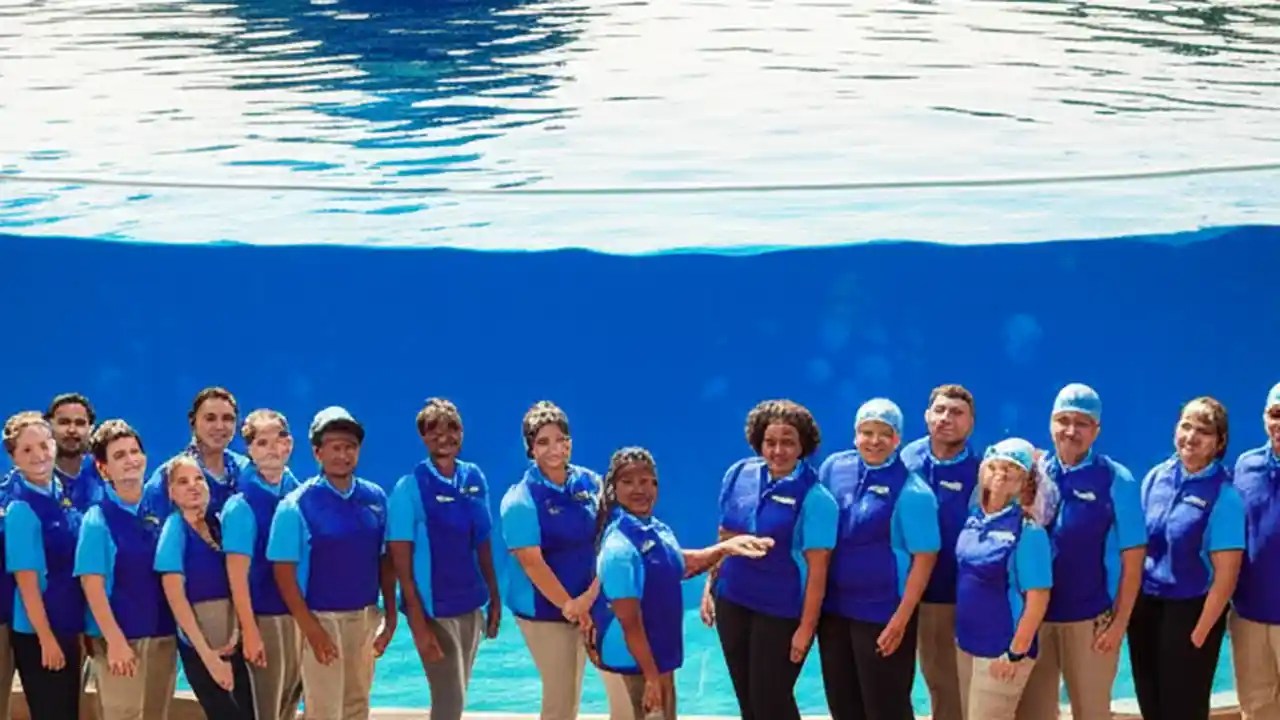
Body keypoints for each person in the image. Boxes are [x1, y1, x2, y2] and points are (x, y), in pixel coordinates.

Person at [587, 447, 773, 720]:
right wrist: (651, 678)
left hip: (659, 658)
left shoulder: (655, 529)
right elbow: (630, 622)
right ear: (614, 488)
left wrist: (725, 548)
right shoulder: (619, 548)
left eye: (645, 481)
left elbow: (676, 564)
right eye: (628, 482)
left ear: (656, 485)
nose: (639, 489)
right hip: (636, 664)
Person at [700, 398, 838, 720]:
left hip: (781, 611)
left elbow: (818, 570)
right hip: (733, 602)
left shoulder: (816, 498)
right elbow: (726, 535)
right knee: (749, 703)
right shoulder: (739, 474)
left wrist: (806, 628)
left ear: (802, 445)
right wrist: (711, 584)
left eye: (788, 442)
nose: (778, 450)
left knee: (771, 703)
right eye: (770, 442)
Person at [1017, 384, 1146, 720]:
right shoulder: (1032, 473)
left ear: (1096, 430)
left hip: (1089, 623)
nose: (1071, 430)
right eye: (1064, 420)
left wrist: (1119, 625)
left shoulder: (1116, 479)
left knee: (1091, 713)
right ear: (1050, 423)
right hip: (1035, 620)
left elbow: (1133, 560)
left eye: (1082, 423)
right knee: (1032, 713)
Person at [267, 406, 397, 720]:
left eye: (350, 447)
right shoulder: (296, 505)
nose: (343, 455)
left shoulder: (375, 498)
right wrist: (311, 629)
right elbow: (283, 573)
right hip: (321, 618)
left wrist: (390, 617)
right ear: (317, 452)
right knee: (324, 710)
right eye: (335, 447)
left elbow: (385, 560)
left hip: (365, 617)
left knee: (358, 704)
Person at [818, 398, 940, 720]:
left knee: (886, 709)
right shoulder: (834, 469)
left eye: (885, 433)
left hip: (881, 614)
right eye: (866, 432)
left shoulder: (913, 491)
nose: (874, 441)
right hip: (834, 613)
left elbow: (925, 559)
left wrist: (900, 620)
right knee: (844, 706)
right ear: (855, 434)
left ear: (897, 438)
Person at [1129, 396, 1244, 720]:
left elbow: (1226, 576)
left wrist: (1199, 634)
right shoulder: (1156, 478)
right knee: (1151, 705)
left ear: (1219, 442)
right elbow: (1139, 548)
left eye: (1203, 431)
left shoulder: (1225, 495)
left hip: (1191, 611)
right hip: (1147, 607)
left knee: (1183, 711)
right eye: (1186, 426)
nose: (1191, 437)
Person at [387, 398, 501, 720]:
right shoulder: (409, 489)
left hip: (471, 607)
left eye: (452, 429)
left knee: (459, 695)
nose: (444, 437)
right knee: (448, 701)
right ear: (422, 437)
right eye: (433, 431)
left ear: (462, 433)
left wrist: (494, 598)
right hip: (433, 611)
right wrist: (417, 622)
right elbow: (400, 562)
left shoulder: (474, 478)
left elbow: (483, 541)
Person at [499, 401, 612, 720]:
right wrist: (570, 606)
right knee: (560, 699)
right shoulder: (520, 500)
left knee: (573, 696)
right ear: (530, 449)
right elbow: (531, 563)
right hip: (545, 611)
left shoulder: (591, 483)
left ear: (570, 443)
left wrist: (589, 599)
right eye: (543, 442)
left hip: (588, 603)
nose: (554, 449)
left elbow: (608, 537)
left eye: (561, 439)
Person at [75, 419, 179, 720]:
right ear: (103, 468)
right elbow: (92, 587)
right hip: (121, 641)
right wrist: (116, 642)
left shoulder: (161, 510)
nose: (131, 460)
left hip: (162, 636)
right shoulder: (97, 520)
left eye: (135, 452)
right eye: (119, 456)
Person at [954, 438, 1054, 720]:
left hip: (1001, 650)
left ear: (1025, 481)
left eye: (1011, 470)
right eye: (994, 467)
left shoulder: (1029, 531)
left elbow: (1038, 599)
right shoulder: (974, 519)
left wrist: (1015, 652)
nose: (1000, 474)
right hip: (967, 644)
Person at [900, 384, 980, 720]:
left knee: (955, 688)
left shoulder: (983, 470)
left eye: (957, 413)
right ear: (927, 416)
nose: (947, 418)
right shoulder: (905, 460)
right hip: (901, 596)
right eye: (940, 411)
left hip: (955, 598)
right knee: (912, 686)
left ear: (971, 423)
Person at [155, 454, 255, 718]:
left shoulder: (217, 526)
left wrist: (236, 634)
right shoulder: (174, 530)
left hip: (232, 645)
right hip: (201, 649)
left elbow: (235, 584)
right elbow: (176, 599)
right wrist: (209, 658)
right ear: (171, 493)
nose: (193, 486)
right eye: (183, 481)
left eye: (199, 478)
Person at [222, 409, 304, 720]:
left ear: (289, 444)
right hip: (265, 617)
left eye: (278, 439)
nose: (271, 449)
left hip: (299, 616)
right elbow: (237, 576)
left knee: (290, 702)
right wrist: (250, 630)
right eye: (261, 442)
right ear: (250, 451)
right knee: (266, 707)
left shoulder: (301, 496)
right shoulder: (241, 506)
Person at [4, 411, 86, 718]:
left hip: (66, 623)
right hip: (39, 631)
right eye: (27, 449)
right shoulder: (21, 509)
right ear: (14, 458)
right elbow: (27, 584)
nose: (39, 455)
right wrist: (46, 639)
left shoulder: (59, 493)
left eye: (44, 444)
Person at [1231, 382, 1280, 719]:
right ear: (1265, 417)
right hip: (1249, 617)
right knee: (1257, 710)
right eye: (1276, 414)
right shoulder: (1245, 467)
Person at [142, 386, 249, 519]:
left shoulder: (246, 470)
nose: (219, 426)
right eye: (210, 419)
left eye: (227, 418)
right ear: (193, 422)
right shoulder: (167, 477)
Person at [44, 392, 106, 511]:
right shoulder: (29, 479)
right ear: (48, 427)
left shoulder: (106, 476)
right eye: (64, 422)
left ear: (91, 429)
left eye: (80, 423)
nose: (72, 430)